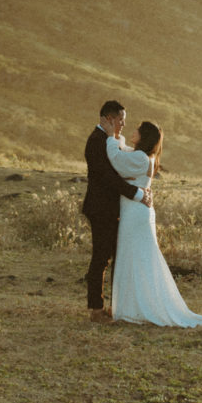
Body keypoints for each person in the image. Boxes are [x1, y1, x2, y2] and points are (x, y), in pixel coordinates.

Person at [108, 121, 202, 328]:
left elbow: (116, 159)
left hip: (134, 213)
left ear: (144, 136)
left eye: (137, 130)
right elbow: (125, 152)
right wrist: (117, 138)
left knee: (134, 256)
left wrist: (111, 136)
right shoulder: (145, 157)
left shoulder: (139, 158)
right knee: (137, 256)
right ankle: (133, 306)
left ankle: (133, 308)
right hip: (138, 212)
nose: (133, 131)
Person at [80, 100, 149, 322]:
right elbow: (108, 178)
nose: (124, 124)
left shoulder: (109, 140)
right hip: (101, 208)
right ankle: (96, 309)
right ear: (109, 119)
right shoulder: (96, 141)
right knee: (101, 258)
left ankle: (116, 306)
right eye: (121, 120)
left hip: (111, 208)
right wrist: (137, 194)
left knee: (114, 257)